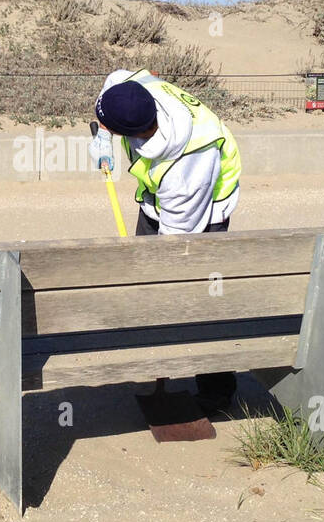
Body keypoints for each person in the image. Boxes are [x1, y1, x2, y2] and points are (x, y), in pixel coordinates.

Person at [90, 68, 242, 411]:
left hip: (202, 215)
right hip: (158, 204)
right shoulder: (138, 89)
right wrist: (103, 136)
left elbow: (172, 251)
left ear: (133, 132)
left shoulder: (186, 169)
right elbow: (114, 81)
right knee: (148, 294)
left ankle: (216, 390)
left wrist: (158, 280)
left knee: (199, 302)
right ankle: (154, 368)